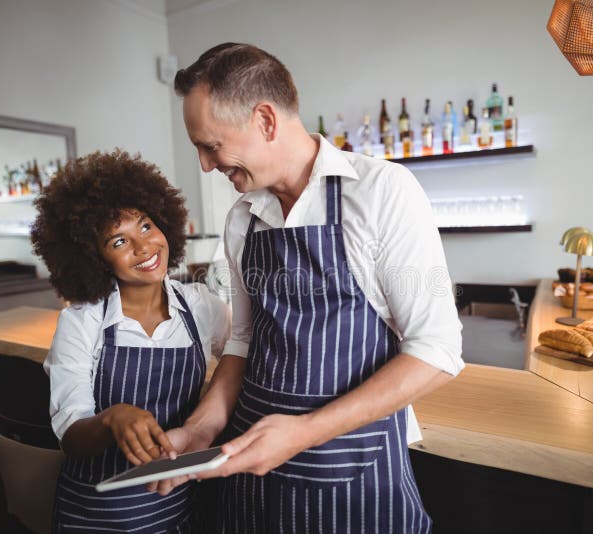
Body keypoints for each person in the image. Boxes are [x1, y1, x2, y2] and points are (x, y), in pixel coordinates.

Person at [156, 43, 464, 532]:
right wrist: (202, 426)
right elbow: (244, 341)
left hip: (352, 474)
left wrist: (303, 433)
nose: (205, 165)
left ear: (265, 120)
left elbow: (436, 352)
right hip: (252, 476)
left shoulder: (382, 192)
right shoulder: (243, 219)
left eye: (211, 145)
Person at [31, 149, 230, 533]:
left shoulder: (201, 307)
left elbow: (242, 358)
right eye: (118, 242)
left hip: (179, 503)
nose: (143, 247)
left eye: (145, 226)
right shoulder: (82, 321)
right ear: (94, 257)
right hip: (100, 515)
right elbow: (71, 437)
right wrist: (111, 419)